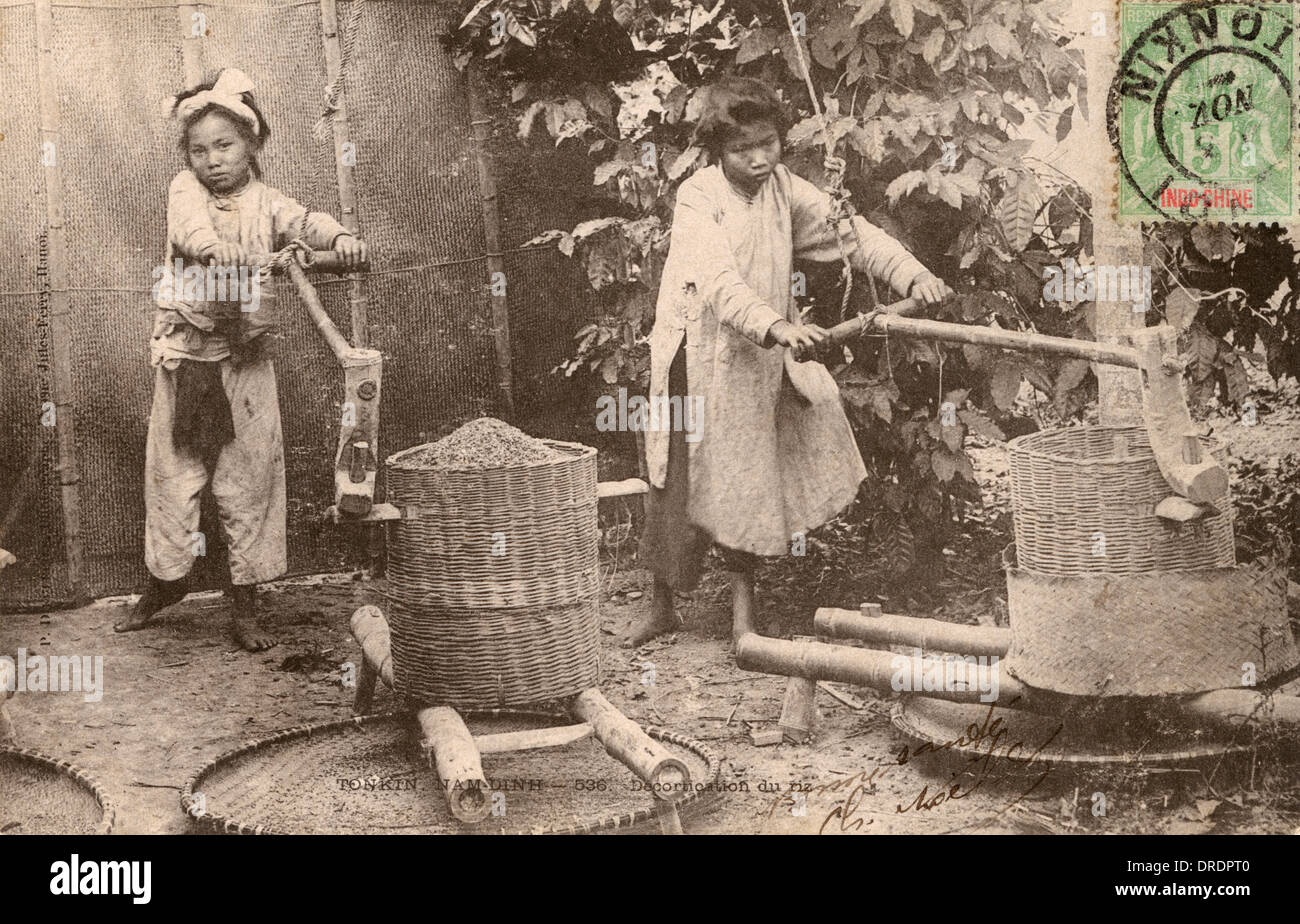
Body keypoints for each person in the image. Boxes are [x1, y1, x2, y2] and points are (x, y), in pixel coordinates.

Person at [623, 77, 949, 648]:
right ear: (717, 152)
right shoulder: (697, 197)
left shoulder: (784, 189)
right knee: (672, 478)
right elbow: (720, 283)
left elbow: (853, 235)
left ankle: (743, 615)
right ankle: (662, 604)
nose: (757, 159)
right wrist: (776, 326)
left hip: (757, 358)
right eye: (741, 150)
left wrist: (911, 273)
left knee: (749, 473)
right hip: (693, 354)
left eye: (768, 144)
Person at [114, 68, 367, 650]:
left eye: (225, 145)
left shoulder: (268, 201)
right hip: (187, 359)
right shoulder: (185, 190)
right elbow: (191, 233)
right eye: (200, 149)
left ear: (251, 147)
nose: (212, 160)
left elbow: (306, 224)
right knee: (173, 479)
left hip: (245, 363)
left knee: (249, 480)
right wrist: (216, 250)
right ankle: (163, 585)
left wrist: (339, 239)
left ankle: (245, 600)